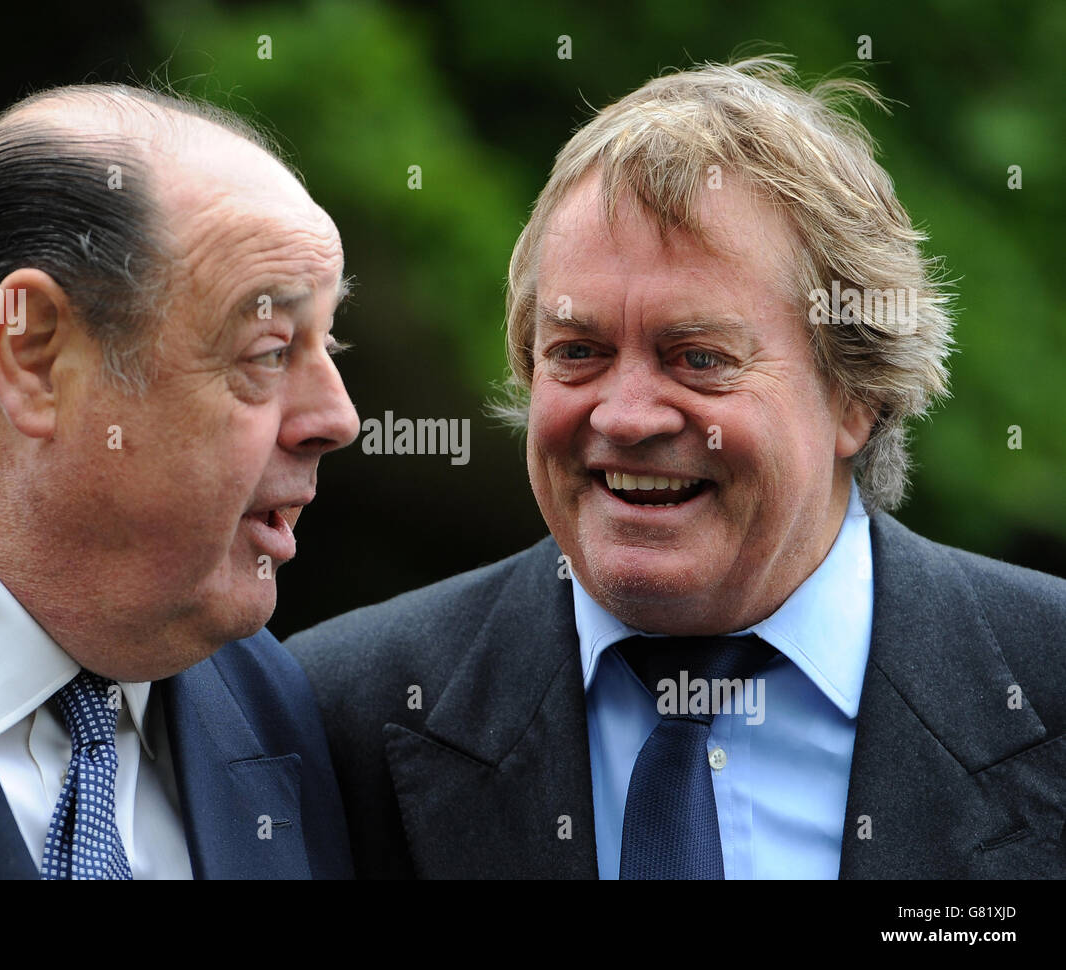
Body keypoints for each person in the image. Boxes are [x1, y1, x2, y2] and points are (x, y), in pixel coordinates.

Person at [285, 57, 1066, 879]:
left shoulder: (1046, 681)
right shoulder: (340, 712)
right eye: (577, 353)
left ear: (855, 397)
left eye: (697, 357)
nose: (624, 416)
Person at [0, 83, 359, 879]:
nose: (339, 418)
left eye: (329, 346)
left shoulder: (278, 705)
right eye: (268, 350)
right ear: (37, 356)